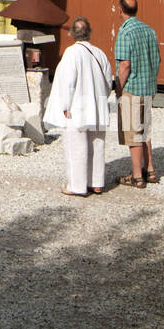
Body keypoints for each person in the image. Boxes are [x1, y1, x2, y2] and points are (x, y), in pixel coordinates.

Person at [44, 16, 113, 197]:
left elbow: (69, 82)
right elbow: (108, 82)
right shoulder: (100, 54)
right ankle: (97, 183)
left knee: (77, 147)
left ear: (72, 33)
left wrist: (65, 105)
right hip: (97, 106)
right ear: (89, 32)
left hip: (79, 106)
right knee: (97, 145)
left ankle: (77, 185)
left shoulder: (71, 53)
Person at [114, 0, 161, 188]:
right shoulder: (150, 30)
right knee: (145, 131)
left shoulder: (125, 32)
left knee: (133, 134)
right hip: (148, 87)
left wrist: (119, 87)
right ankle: (150, 170)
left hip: (132, 87)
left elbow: (125, 64)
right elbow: (157, 60)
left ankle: (136, 176)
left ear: (120, 10)